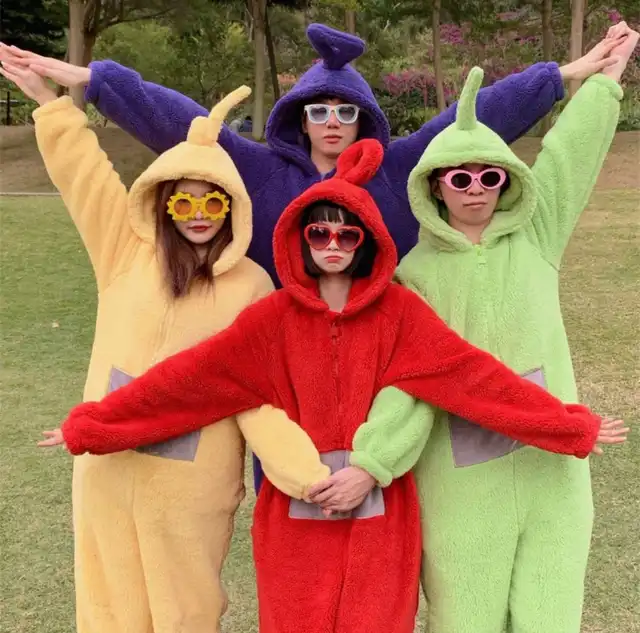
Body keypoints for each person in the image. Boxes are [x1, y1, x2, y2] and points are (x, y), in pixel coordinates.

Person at [0, 22, 619, 491]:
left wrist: (563, 75)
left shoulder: (395, 169)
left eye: (346, 111)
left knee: (382, 490)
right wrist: (95, 80)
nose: (332, 122)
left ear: (362, 118)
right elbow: (184, 123)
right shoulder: (260, 170)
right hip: (289, 363)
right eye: (318, 110)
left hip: (380, 359)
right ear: (299, 116)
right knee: (294, 486)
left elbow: (473, 119)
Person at [41, 139, 623, 633]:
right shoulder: (269, 322)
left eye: (348, 235)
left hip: (382, 514)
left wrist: (567, 426)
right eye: (320, 233)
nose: (334, 246)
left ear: (367, 239)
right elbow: (184, 383)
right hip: (295, 514)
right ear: (301, 238)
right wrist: (94, 425)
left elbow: (475, 379)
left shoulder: (401, 314)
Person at [315, 24, 636, 633]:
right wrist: (374, 461)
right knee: (467, 616)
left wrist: (606, 80)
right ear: (436, 185)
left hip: (551, 470)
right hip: (461, 479)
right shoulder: (414, 277)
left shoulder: (537, 237)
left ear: (507, 179)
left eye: (490, 176)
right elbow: (408, 381)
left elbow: (568, 157)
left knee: (549, 615)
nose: (476, 190)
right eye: (459, 178)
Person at [0, 58, 331, 633]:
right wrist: (51, 106)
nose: (198, 216)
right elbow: (86, 178)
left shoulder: (253, 286)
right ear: (162, 203)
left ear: (232, 205)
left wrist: (304, 472)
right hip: (107, 465)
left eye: (212, 203)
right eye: (184, 203)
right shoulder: (125, 253)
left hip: (191, 482)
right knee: (108, 605)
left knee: (185, 611)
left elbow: (257, 395)